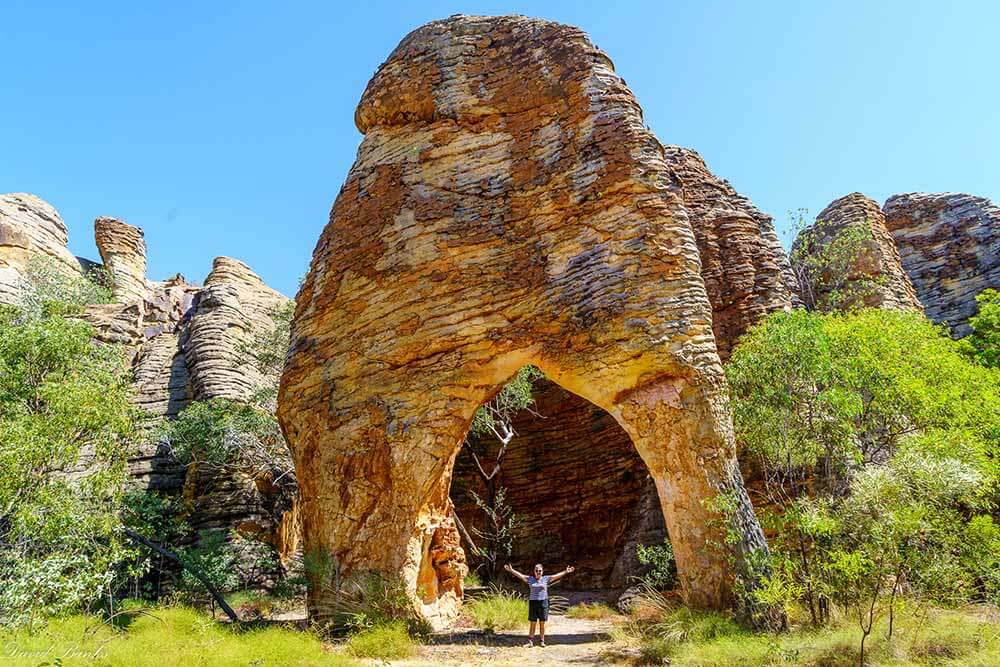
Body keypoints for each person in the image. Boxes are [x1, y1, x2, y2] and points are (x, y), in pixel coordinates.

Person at [504, 562, 575, 647]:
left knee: (542, 623)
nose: (538, 572)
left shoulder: (546, 579)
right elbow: (520, 575)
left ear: (542, 571)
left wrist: (566, 571)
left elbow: (556, 576)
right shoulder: (530, 579)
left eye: (540, 571)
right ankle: (530, 641)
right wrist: (511, 570)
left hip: (543, 603)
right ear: (534, 571)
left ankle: (542, 641)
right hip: (533, 603)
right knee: (533, 623)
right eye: (537, 570)